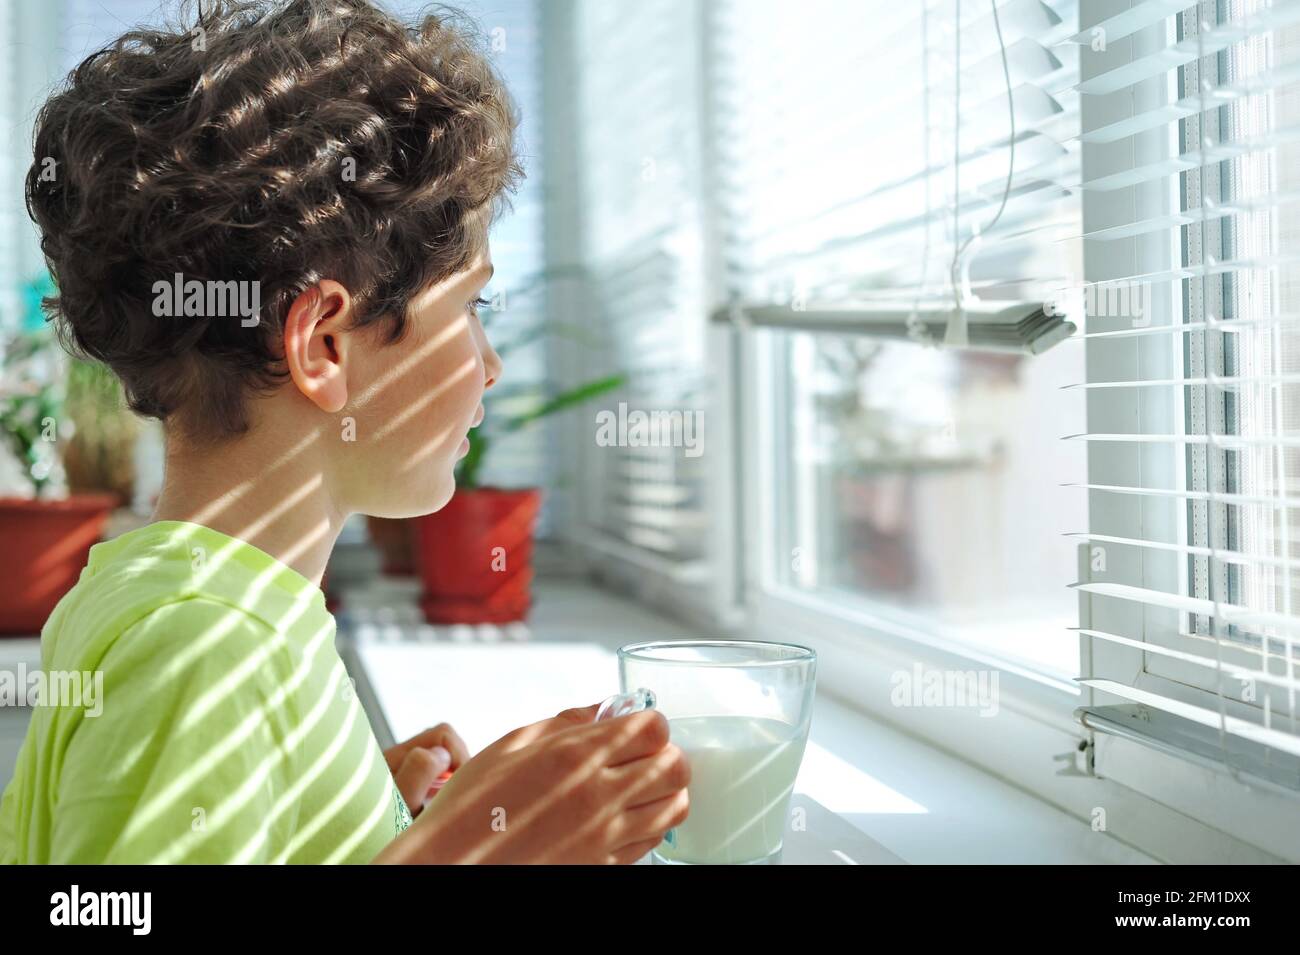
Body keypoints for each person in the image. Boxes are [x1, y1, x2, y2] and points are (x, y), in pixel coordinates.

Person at [0, 0, 689, 864]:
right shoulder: (204, 652)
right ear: (325, 345)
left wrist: (354, 821)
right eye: (469, 308)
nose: (490, 364)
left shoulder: (172, 599)